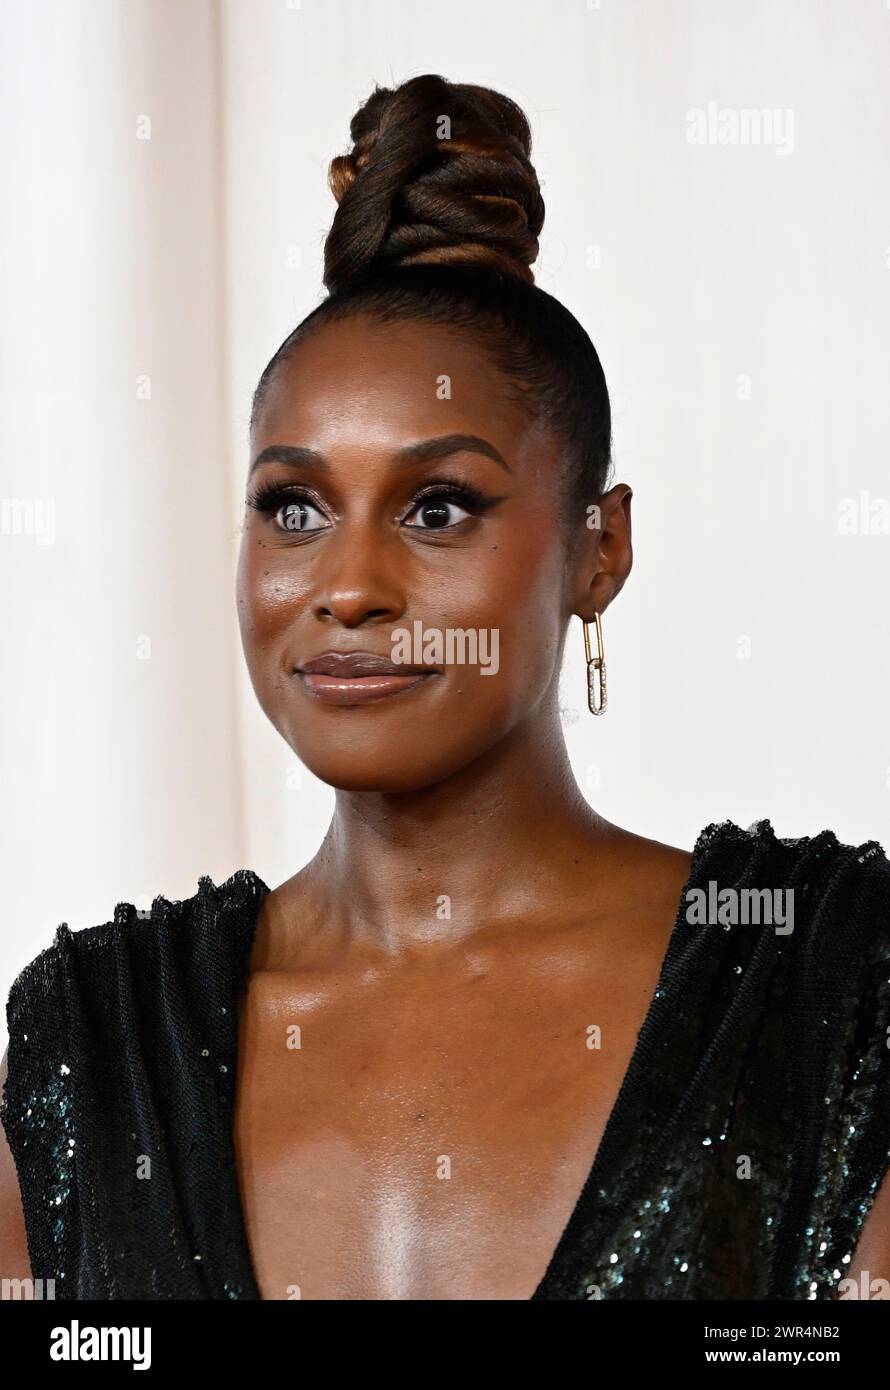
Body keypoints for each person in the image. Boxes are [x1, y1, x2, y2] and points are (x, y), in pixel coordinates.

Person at [2, 73, 889, 1301]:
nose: (348, 586)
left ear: (599, 546)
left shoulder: (821, 984)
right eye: (293, 507)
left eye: (437, 507)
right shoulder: (95, 1042)